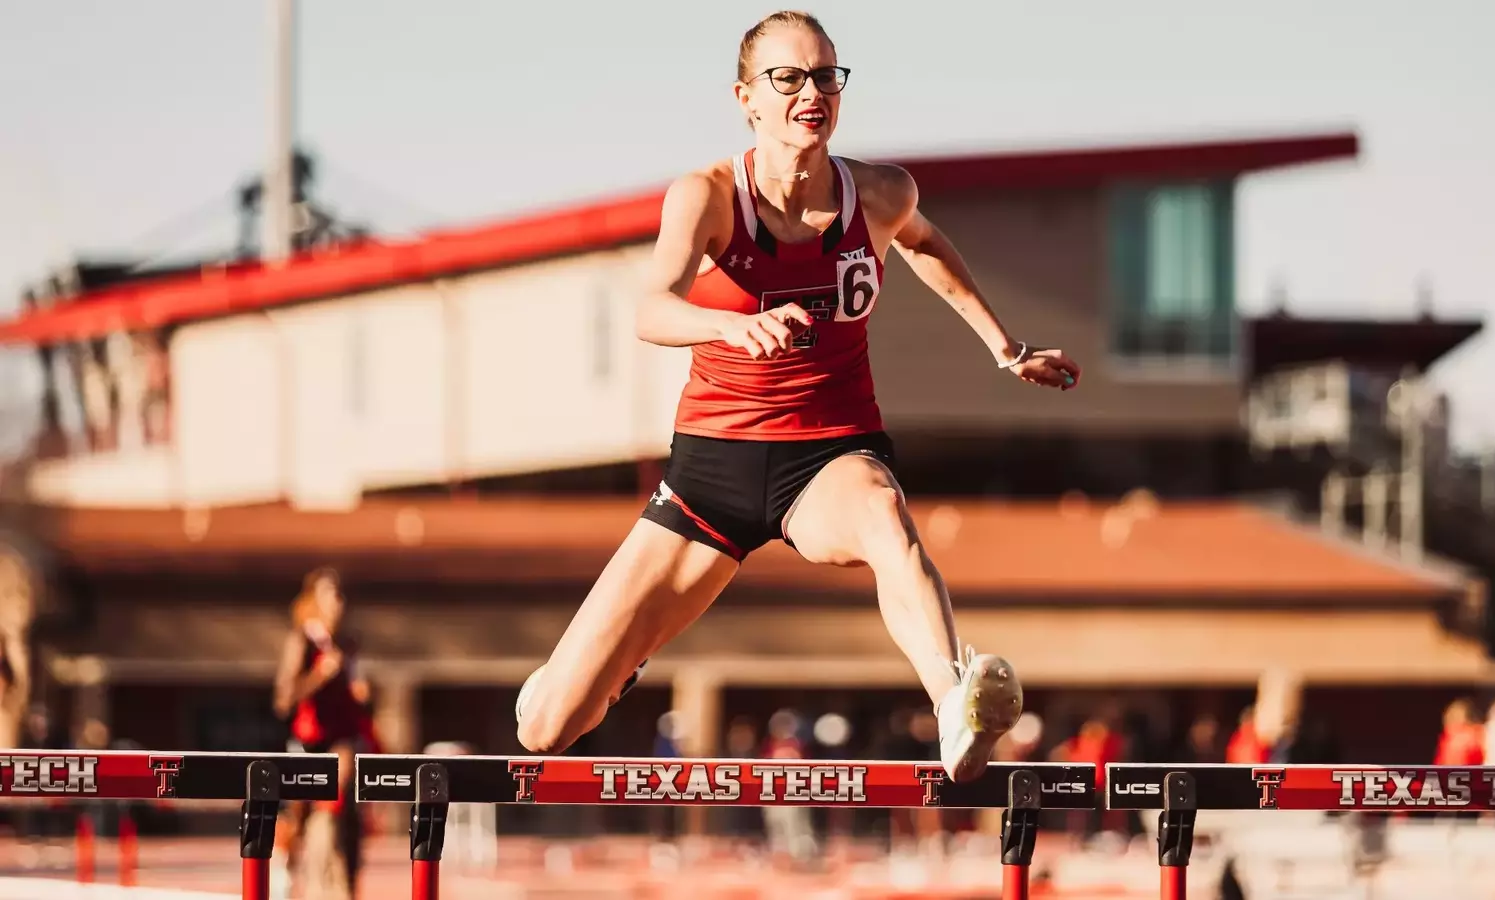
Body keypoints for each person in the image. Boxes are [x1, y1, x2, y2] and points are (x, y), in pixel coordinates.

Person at [514, 9, 1080, 783]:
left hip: (828, 455)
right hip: (710, 476)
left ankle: (956, 702)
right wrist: (728, 327)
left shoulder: (879, 193)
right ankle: (612, 671)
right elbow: (652, 308)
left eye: (826, 76)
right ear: (746, 97)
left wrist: (1005, 348)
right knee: (547, 726)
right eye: (788, 77)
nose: (811, 92)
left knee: (886, 516)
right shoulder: (709, 195)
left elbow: (923, 244)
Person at [271, 568, 375, 900]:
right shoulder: (302, 639)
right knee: (298, 816)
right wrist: (319, 675)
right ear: (315, 599)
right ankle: (285, 867)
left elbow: (360, 698)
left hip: (341, 739)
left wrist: (363, 694)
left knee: (346, 795)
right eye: (330, 594)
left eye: (341, 595)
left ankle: (344, 878)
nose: (337, 602)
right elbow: (283, 700)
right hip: (307, 740)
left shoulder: (349, 644)